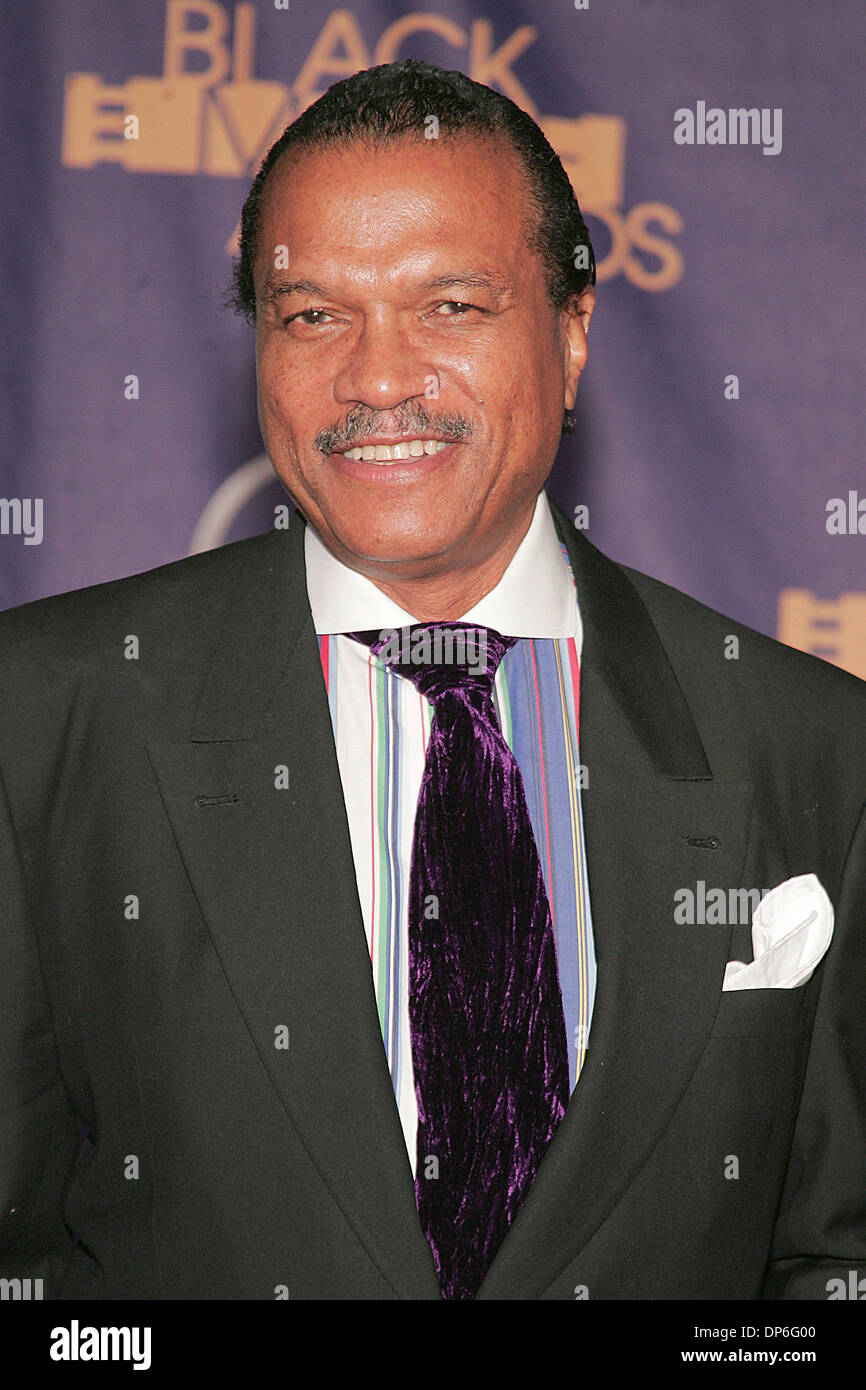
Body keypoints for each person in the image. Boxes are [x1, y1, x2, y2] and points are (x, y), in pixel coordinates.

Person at [1, 60, 864, 1301]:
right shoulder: (41, 726)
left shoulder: (810, 752)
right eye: (310, 315)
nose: (374, 377)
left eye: (449, 305)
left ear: (570, 334)